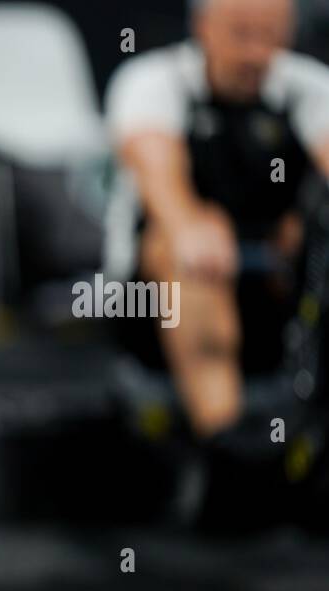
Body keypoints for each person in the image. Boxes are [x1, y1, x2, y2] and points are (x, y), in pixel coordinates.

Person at [104, 0, 329, 442]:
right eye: (241, 34)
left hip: (276, 293)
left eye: (270, 35)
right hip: (155, 302)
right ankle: (225, 438)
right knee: (186, 255)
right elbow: (157, 170)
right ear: (203, 27)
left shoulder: (309, 87)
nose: (256, 53)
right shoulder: (152, 82)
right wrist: (190, 226)